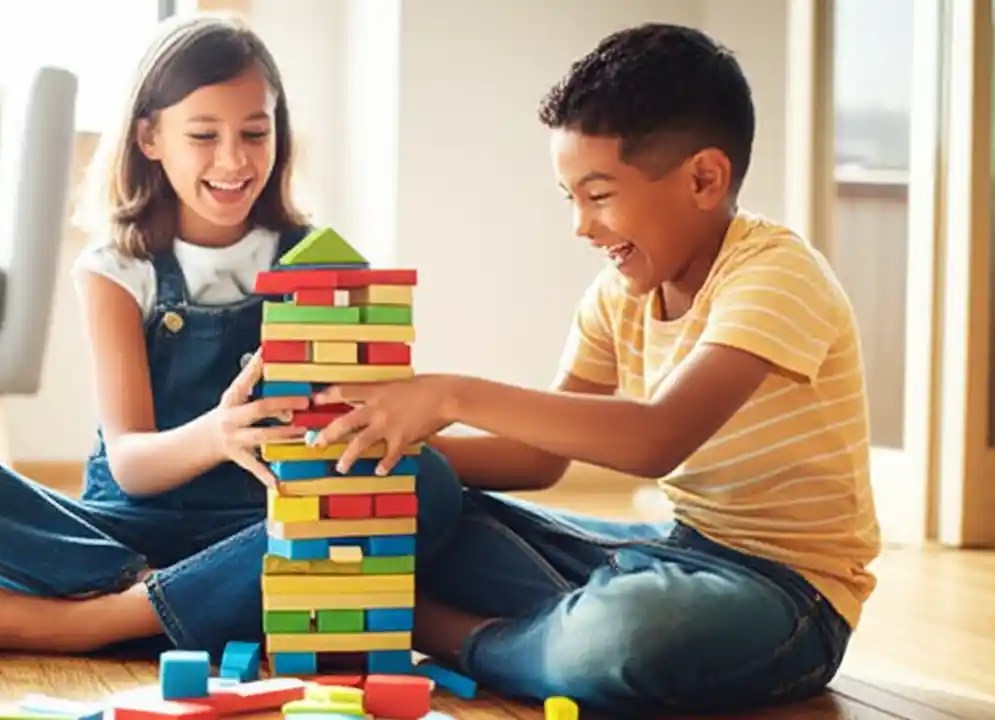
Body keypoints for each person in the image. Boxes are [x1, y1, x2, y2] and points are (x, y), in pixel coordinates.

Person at [0, 13, 461, 657]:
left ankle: (101, 623)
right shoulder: (116, 269)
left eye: (254, 131)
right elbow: (131, 464)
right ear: (150, 138)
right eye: (203, 135)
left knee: (431, 483)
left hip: (265, 526)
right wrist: (218, 435)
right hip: (114, 536)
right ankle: (154, 598)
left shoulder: (322, 265)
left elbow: (360, 441)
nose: (234, 159)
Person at [311, 23, 878, 717]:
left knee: (627, 633)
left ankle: (439, 629)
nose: (581, 224)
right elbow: (540, 460)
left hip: (788, 597)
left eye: (600, 194)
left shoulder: (778, 277)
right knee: (425, 497)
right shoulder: (621, 292)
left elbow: (654, 439)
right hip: (672, 552)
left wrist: (450, 393)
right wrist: (393, 447)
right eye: (569, 197)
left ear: (705, 178)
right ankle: (514, 623)